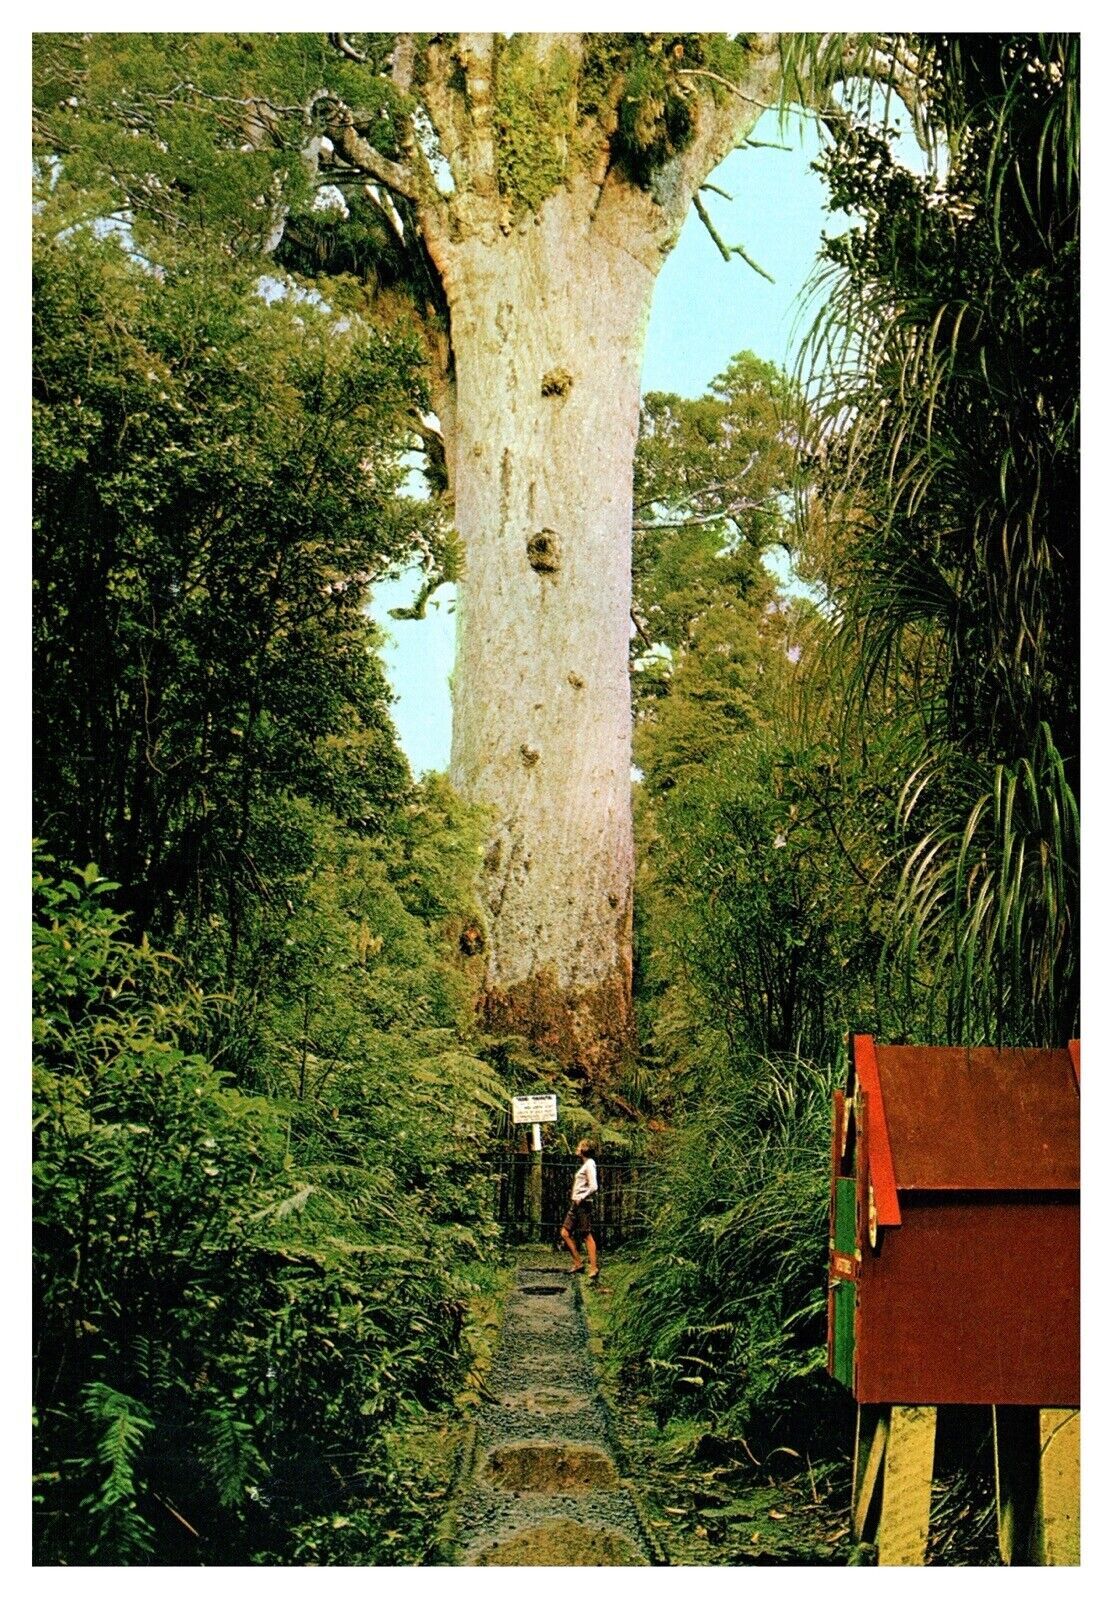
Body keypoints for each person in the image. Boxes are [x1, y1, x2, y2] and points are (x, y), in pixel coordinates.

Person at [560, 1139, 599, 1283]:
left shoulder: (590, 1164)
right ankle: (578, 1263)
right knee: (564, 1233)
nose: (577, 1148)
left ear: (584, 1150)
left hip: (583, 1204)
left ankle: (594, 1267)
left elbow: (594, 1186)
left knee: (586, 1235)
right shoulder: (585, 1165)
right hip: (576, 1204)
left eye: (579, 1146)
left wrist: (581, 1197)